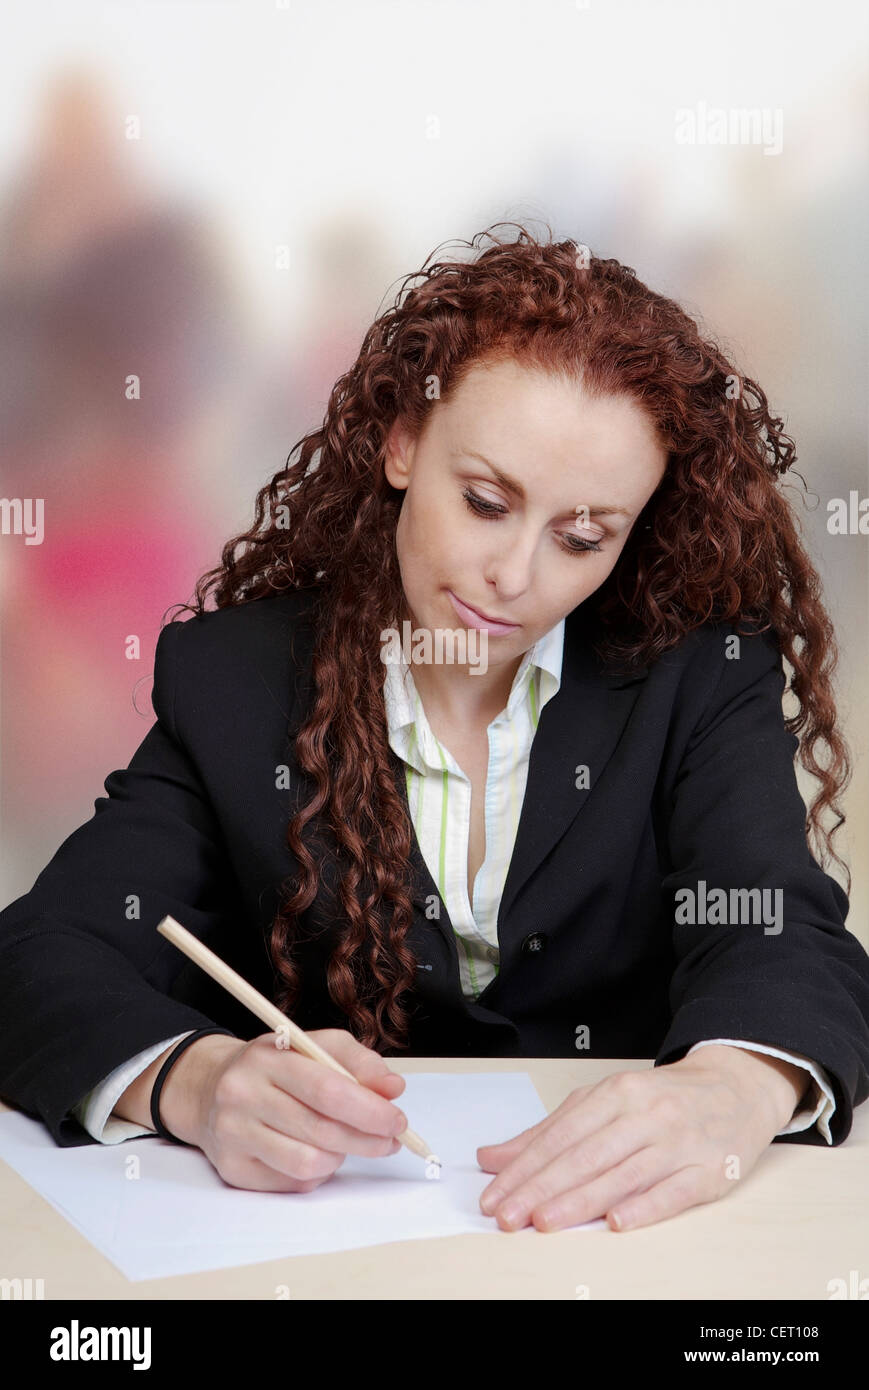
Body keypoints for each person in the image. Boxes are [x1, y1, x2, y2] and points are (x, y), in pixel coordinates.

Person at [2, 223, 868, 1237]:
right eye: (486, 501)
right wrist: (192, 1081)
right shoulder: (237, 678)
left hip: (622, 1246)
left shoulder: (694, 676)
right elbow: (41, 952)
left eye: (582, 535)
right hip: (316, 1244)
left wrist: (729, 1089)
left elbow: (782, 934)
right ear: (402, 442)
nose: (515, 576)